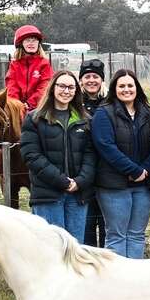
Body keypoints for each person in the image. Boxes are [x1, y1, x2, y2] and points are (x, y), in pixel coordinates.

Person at [90, 69, 150, 258]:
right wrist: (133, 170)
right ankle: (115, 282)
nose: (126, 89)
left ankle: (135, 281)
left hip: (144, 185)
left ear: (137, 88)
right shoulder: (104, 113)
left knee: (136, 235)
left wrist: (145, 170)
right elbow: (105, 146)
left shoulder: (149, 114)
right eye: (122, 86)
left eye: (130, 85)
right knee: (116, 235)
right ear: (114, 88)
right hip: (114, 185)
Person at [21, 70, 95, 239]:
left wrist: (80, 181)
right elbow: (31, 155)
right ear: (52, 88)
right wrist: (61, 181)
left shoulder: (85, 120)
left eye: (71, 87)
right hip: (48, 195)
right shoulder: (35, 119)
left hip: (77, 195)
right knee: (51, 249)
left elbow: (90, 155)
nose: (66, 91)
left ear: (76, 90)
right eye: (62, 86)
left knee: (76, 249)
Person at [77, 59, 108, 247]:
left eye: (95, 76)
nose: (91, 80)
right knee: (86, 224)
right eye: (87, 76)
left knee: (106, 223)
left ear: (102, 80)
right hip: (82, 171)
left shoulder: (110, 103)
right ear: (81, 80)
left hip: (106, 171)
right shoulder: (75, 104)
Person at [4, 23, 53, 109]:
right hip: (19, 107)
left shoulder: (44, 64)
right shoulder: (14, 65)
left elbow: (45, 87)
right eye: (27, 40)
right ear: (21, 44)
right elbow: (11, 86)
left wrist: (30, 103)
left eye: (34, 40)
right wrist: (16, 104)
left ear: (38, 43)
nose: (31, 43)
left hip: (39, 108)